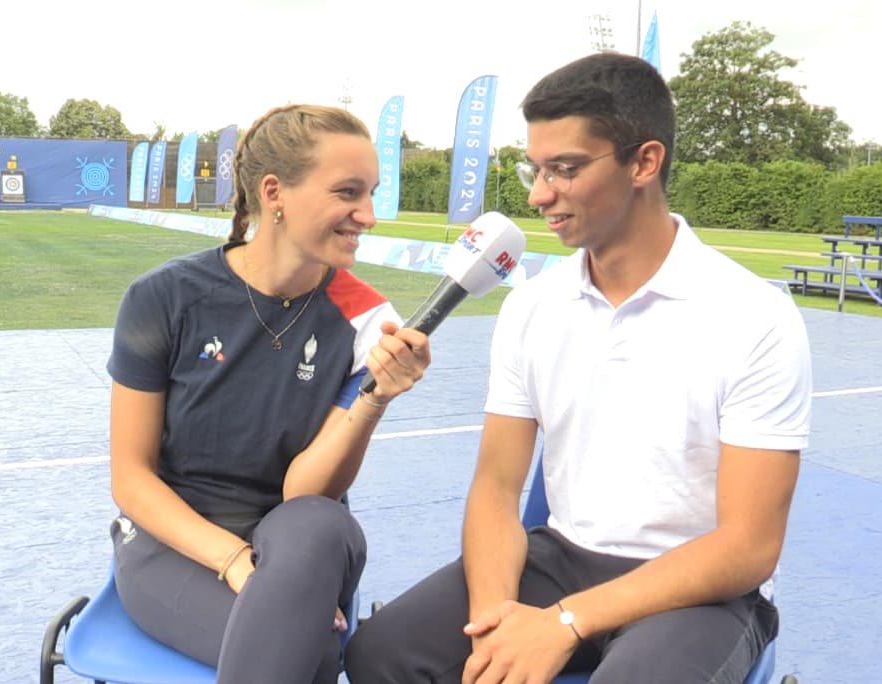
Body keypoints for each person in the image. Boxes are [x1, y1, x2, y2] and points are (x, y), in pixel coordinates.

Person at [344, 52, 812, 684]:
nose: (539, 195)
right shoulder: (533, 305)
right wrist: (495, 622)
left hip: (700, 590)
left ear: (644, 162)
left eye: (563, 170)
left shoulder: (754, 316)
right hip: (560, 560)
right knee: (381, 654)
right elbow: (496, 488)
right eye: (534, 169)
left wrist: (565, 622)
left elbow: (749, 547)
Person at [106, 103, 431, 684]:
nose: (370, 216)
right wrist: (234, 563)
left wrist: (375, 397)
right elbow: (131, 478)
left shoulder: (369, 321)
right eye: (348, 192)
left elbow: (303, 492)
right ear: (275, 192)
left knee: (319, 523)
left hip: (296, 549)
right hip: (175, 545)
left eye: (373, 193)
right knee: (310, 659)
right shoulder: (162, 298)